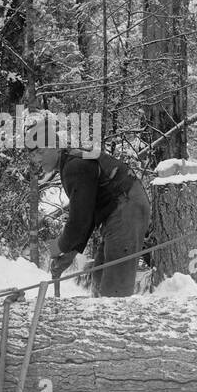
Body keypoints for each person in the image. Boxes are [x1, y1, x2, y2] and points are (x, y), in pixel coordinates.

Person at [27, 118, 150, 297]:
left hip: (127, 208)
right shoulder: (71, 162)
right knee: (99, 278)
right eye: (32, 155)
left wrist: (59, 246)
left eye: (40, 152)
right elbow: (87, 214)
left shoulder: (74, 166)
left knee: (115, 293)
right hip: (119, 210)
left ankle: (115, 322)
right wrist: (70, 253)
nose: (37, 160)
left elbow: (79, 220)